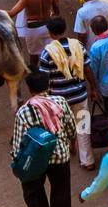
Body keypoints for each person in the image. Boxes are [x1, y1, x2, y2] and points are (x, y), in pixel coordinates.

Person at [12, 71, 78, 207]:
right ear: (48, 85)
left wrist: (16, 162)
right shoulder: (60, 102)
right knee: (60, 191)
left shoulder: (24, 112)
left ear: (29, 89)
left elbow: (18, 144)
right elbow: (71, 127)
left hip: (35, 161)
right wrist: (71, 142)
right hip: (60, 155)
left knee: (33, 192)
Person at [39, 16, 94, 170]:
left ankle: (64, 155)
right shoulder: (78, 46)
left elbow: (45, 79)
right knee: (83, 128)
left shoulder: (47, 53)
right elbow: (87, 69)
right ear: (64, 29)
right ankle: (88, 160)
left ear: (50, 33)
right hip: (80, 95)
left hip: (58, 100)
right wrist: (94, 88)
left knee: (60, 128)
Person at [7, 0, 59, 70]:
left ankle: (35, 77)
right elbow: (56, 10)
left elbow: (11, 13)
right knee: (54, 53)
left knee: (34, 56)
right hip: (49, 26)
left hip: (33, 29)